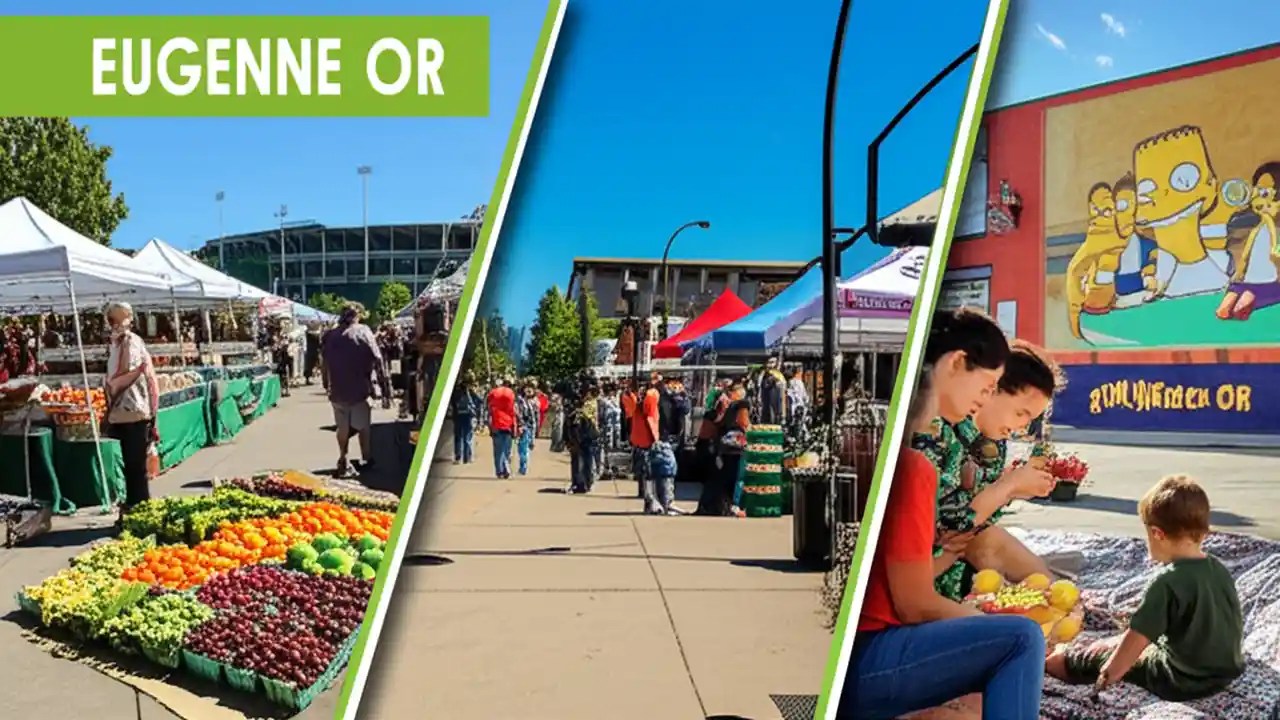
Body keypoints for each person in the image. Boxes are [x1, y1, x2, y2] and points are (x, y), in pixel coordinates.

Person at [840, 367, 1046, 719]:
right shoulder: (915, 466)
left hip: (872, 647)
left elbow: (921, 566)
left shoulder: (879, 460)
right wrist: (981, 619)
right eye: (985, 386)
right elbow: (915, 602)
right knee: (1022, 639)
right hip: (872, 656)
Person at [1047, 475, 1244, 701]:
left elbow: (1136, 641)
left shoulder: (1166, 581)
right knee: (1117, 644)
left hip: (1181, 680)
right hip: (1226, 671)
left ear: (1157, 533)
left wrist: (1108, 674)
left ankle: (1054, 662)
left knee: (1091, 658)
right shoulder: (1217, 568)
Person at [924, 342, 1063, 600]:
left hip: (961, 548)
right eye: (1021, 413)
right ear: (991, 389)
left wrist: (1011, 488)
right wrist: (1007, 487)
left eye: (1030, 419)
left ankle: (1052, 595)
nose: (1023, 427)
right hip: (925, 565)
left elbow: (977, 523)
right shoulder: (937, 431)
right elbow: (952, 527)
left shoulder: (992, 444)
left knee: (1042, 587)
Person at [103, 301, 160, 519]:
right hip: (127, 412)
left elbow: (132, 371)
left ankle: (141, 510)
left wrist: (111, 386)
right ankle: (136, 507)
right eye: (112, 320)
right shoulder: (119, 342)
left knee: (136, 466)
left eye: (117, 319)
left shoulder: (129, 341)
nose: (114, 324)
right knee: (132, 464)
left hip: (133, 411)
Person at [321, 305, 391, 478]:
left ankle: (343, 457)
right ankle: (366, 457)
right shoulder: (364, 332)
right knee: (363, 426)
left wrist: (326, 383)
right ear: (357, 316)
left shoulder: (330, 336)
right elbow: (378, 358)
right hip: (360, 388)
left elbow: (323, 362)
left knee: (342, 427)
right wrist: (385, 387)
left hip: (337, 389)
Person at [713, 382, 751, 517]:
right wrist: (750, 431)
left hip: (726, 445)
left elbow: (720, 422)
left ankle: (726, 505)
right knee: (739, 477)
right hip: (738, 446)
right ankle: (735, 505)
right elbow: (744, 422)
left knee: (728, 476)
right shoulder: (742, 405)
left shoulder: (729, 406)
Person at [631, 372, 663, 503]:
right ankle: (646, 491)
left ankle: (643, 490)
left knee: (642, 464)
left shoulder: (640, 395)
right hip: (647, 433)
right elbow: (649, 413)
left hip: (639, 434)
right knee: (647, 466)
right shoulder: (651, 394)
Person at [572, 380, 602, 493]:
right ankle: (585, 481)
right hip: (586, 433)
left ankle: (588, 482)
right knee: (586, 459)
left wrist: (578, 409)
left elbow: (584, 415)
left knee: (588, 460)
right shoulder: (590, 402)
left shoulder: (591, 403)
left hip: (589, 433)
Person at [486, 377, 518, 479]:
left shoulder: (493, 393)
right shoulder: (511, 395)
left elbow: (489, 409)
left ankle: (499, 471)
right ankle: (506, 469)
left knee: (498, 450)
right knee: (506, 450)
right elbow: (513, 412)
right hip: (508, 425)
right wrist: (515, 427)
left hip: (496, 424)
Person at [451, 377, 482, 464]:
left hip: (457, 417)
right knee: (467, 437)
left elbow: (452, 404)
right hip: (468, 417)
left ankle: (458, 457)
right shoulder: (471, 393)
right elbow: (480, 401)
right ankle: (467, 458)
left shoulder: (455, 393)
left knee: (458, 437)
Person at [516, 385, 540, 476]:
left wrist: (537, 429)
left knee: (525, 448)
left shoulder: (535, 402)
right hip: (522, 426)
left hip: (529, 427)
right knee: (521, 449)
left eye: (531, 389)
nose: (529, 391)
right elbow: (517, 414)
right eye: (527, 389)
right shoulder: (520, 401)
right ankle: (523, 466)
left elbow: (537, 417)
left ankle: (523, 467)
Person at [757, 356, 786, 424]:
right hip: (765, 404)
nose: (770, 365)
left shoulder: (778, 375)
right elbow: (759, 387)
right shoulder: (762, 375)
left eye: (772, 363)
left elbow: (782, 385)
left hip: (776, 403)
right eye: (768, 363)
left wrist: (776, 380)